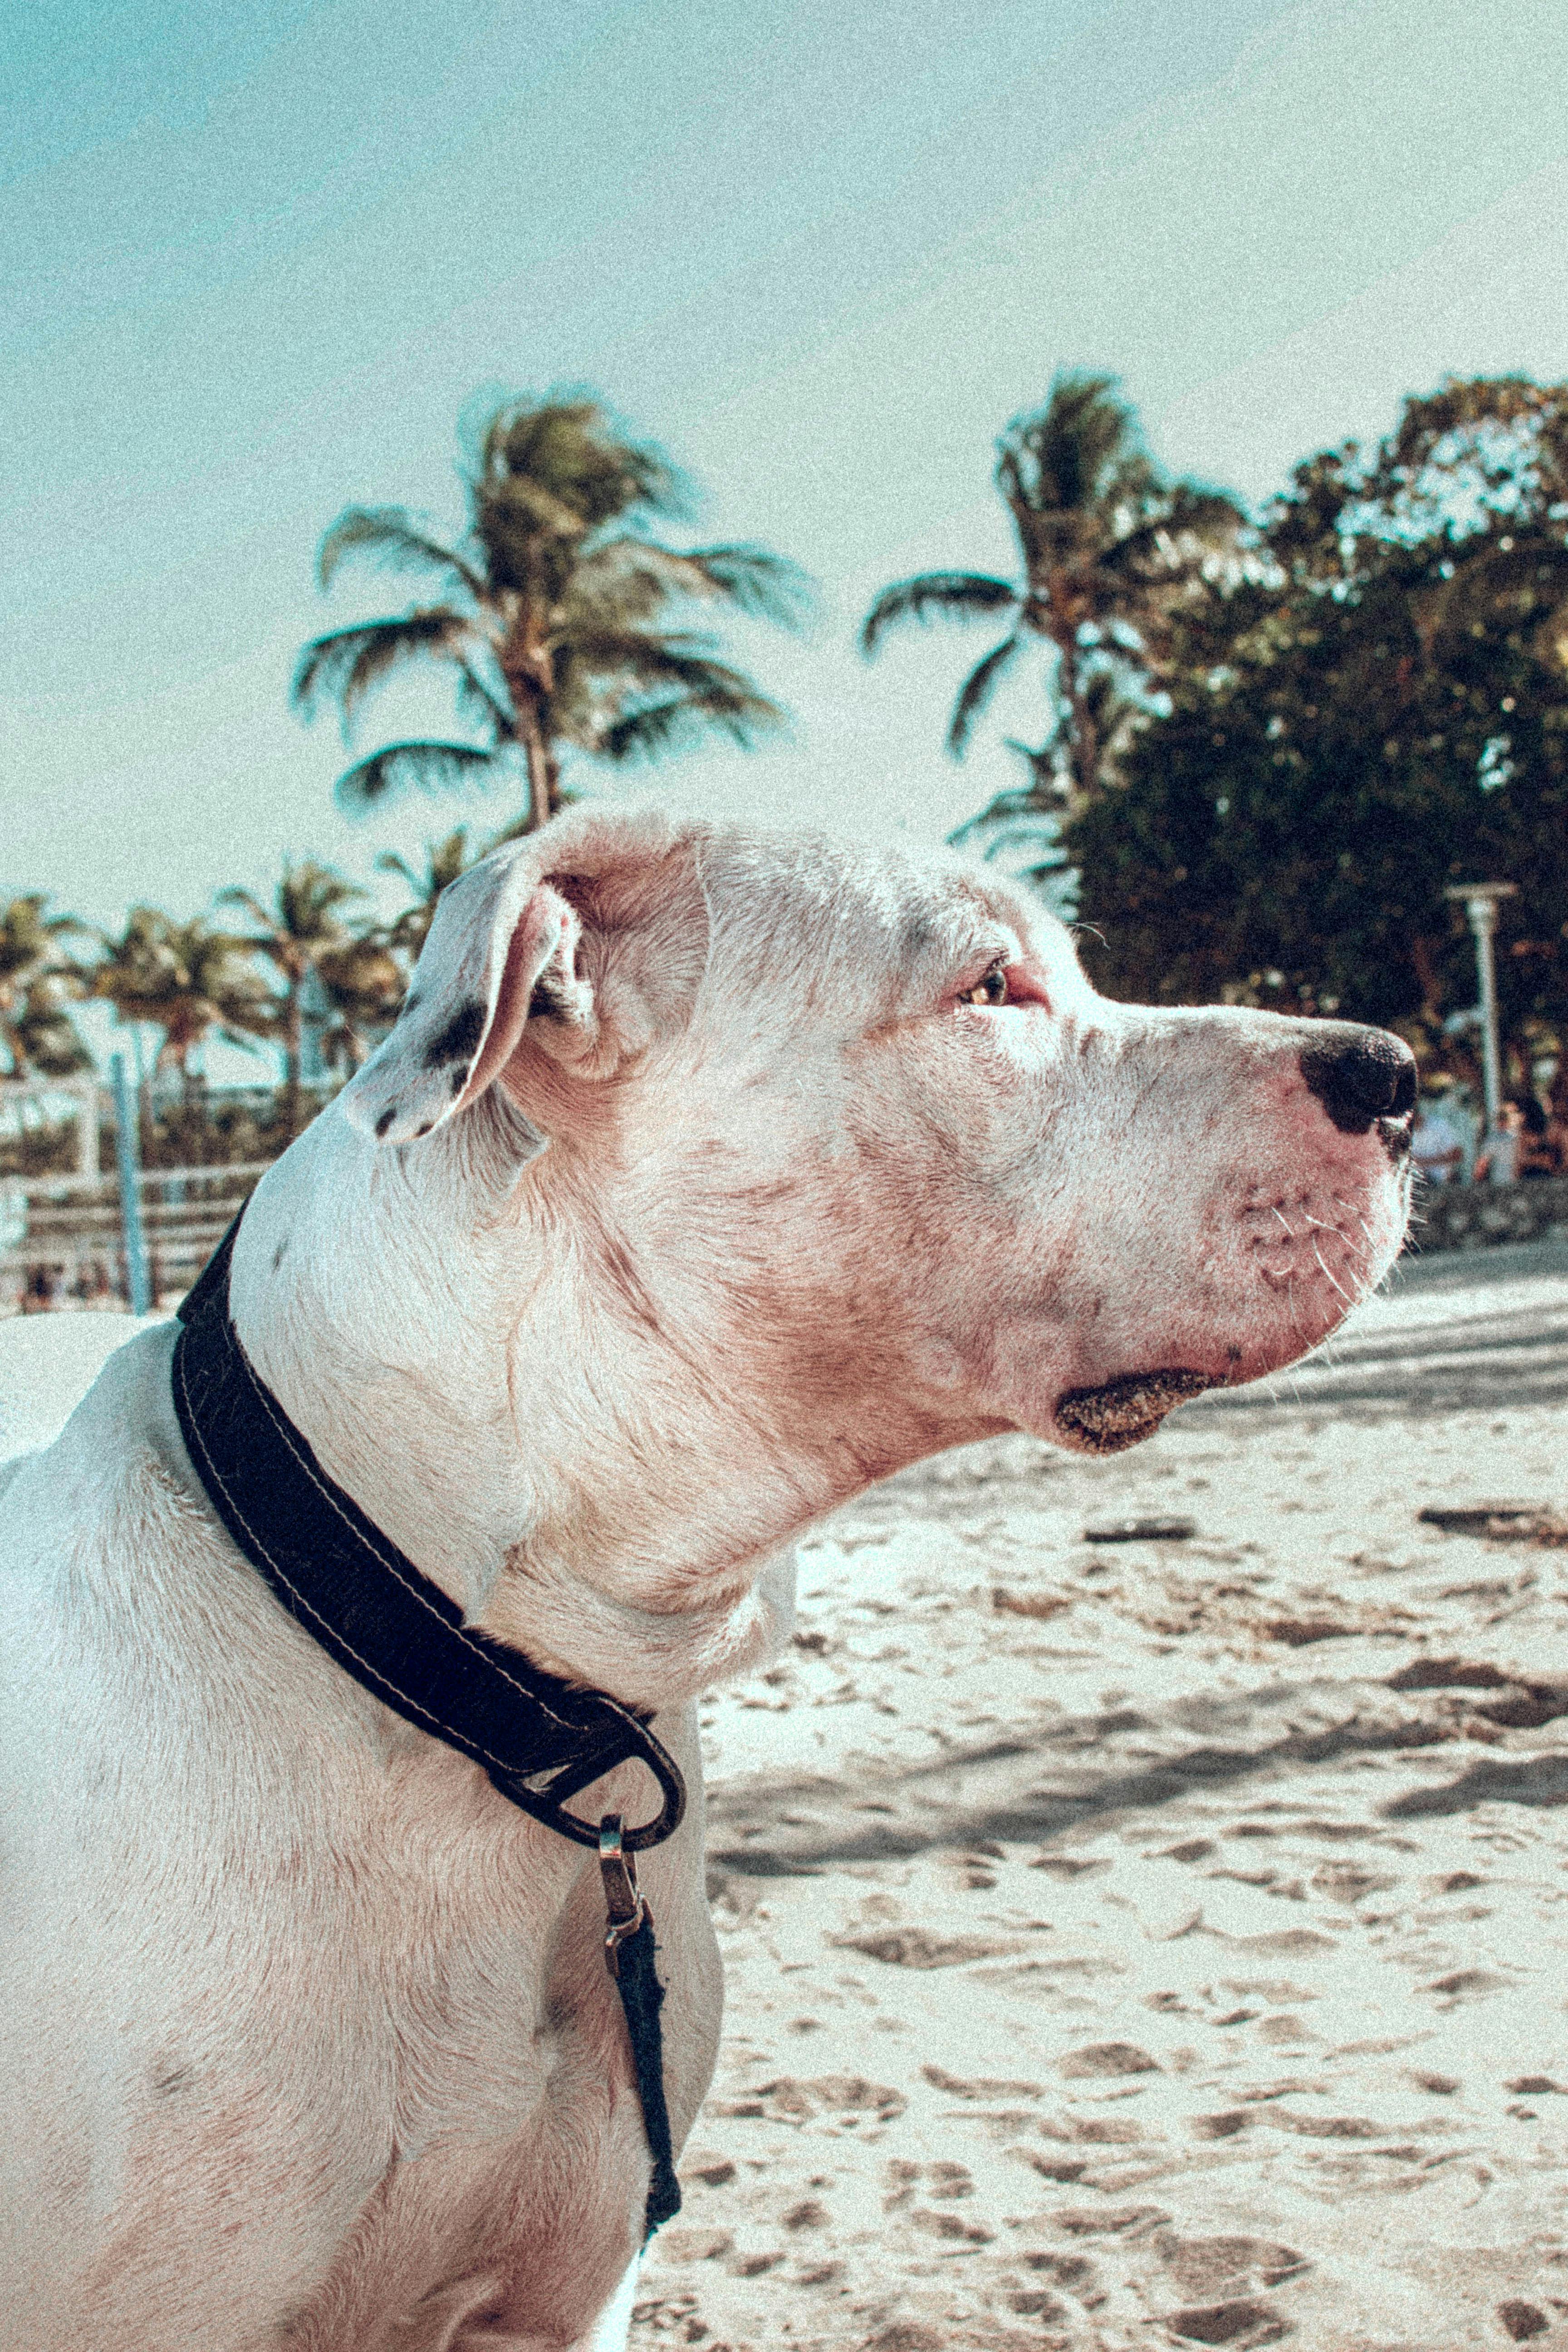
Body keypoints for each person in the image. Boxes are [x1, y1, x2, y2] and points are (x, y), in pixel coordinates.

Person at [1411, 1093, 1467, 1185]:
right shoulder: (1404, 1132)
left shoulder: (1439, 1126)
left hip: (1438, 1182)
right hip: (1412, 1182)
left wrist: (1426, 1162)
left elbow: (1458, 1155)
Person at [1474, 1098, 1525, 1184]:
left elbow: (1482, 1165)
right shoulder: (1519, 1138)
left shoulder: (1493, 1139)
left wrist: (1476, 1181)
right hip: (1518, 1183)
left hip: (1500, 1183)